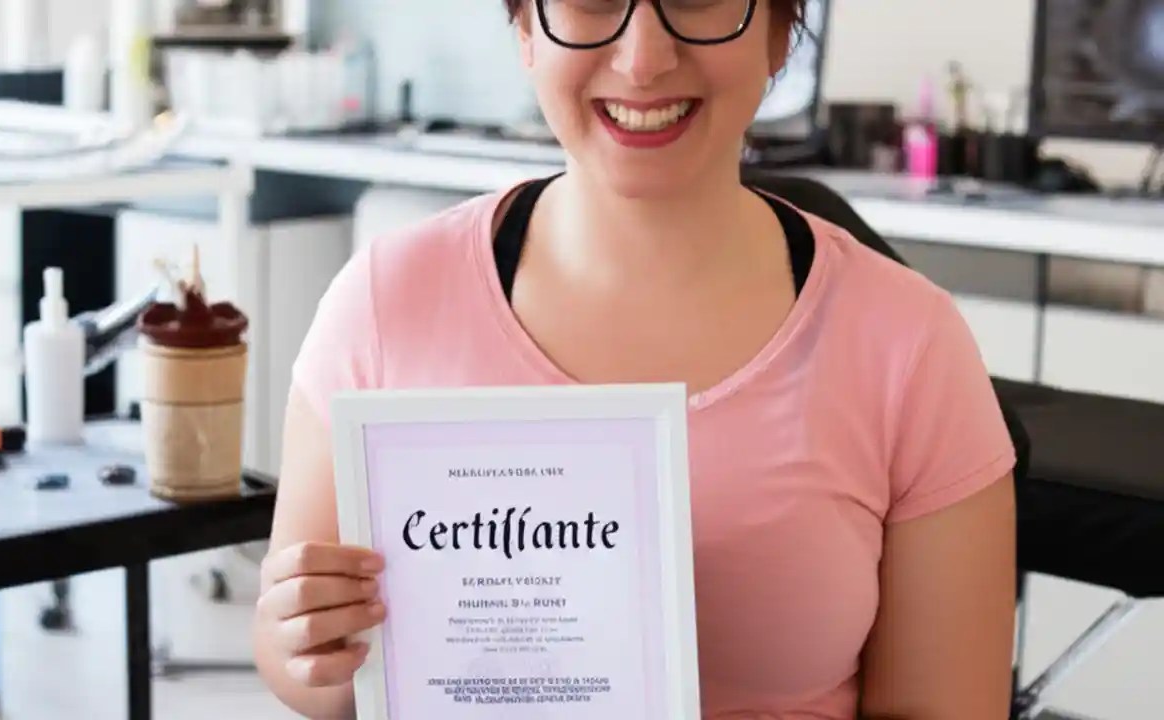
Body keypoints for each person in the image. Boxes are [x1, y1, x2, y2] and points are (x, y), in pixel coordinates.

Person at [254, 0, 1018, 717]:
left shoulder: (910, 342)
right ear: (526, 28)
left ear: (781, 32)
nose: (644, 57)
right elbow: (306, 670)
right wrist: (309, 649)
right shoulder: (386, 303)